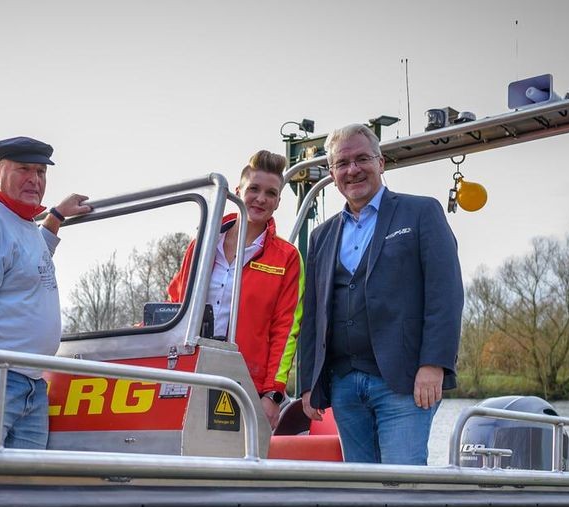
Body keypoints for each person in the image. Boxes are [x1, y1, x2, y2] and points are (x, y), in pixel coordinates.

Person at [293, 123, 462, 464]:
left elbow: (446, 294)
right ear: (332, 172)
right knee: (361, 492)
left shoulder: (421, 213)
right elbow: (313, 315)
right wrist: (310, 384)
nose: (353, 170)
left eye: (361, 159)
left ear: (381, 162)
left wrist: (434, 364)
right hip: (343, 387)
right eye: (342, 163)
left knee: (403, 486)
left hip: (403, 383)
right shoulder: (322, 236)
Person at [0, 137, 91, 449]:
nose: (34, 179)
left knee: (24, 486)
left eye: (40, 172)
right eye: (24, 169)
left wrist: (56, 218)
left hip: (32, 382)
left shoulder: (23, 224)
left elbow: (31, 262)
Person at [164, 150, 303, 428]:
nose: (261, 198)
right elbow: (175, 304)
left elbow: (285, 332)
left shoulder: (286, 258)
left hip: (245, 383)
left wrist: (272, 394)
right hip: (190, 373)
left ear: (278, 202)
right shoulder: (202, 243)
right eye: (254, 189)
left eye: (271, 193)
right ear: (238, 191)